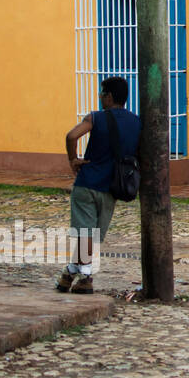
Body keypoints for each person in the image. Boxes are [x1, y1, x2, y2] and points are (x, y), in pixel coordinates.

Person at [59, 76, 140, 294]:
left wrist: (72, 159)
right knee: (92, 234)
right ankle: (69, 273)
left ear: (109, 96)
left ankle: (85, 276)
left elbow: (71, 136)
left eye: (101, 94)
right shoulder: (136, 122)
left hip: (88, 182)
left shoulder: (95, 118)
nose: (100, 98)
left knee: (85, 233)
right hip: (112, 186)